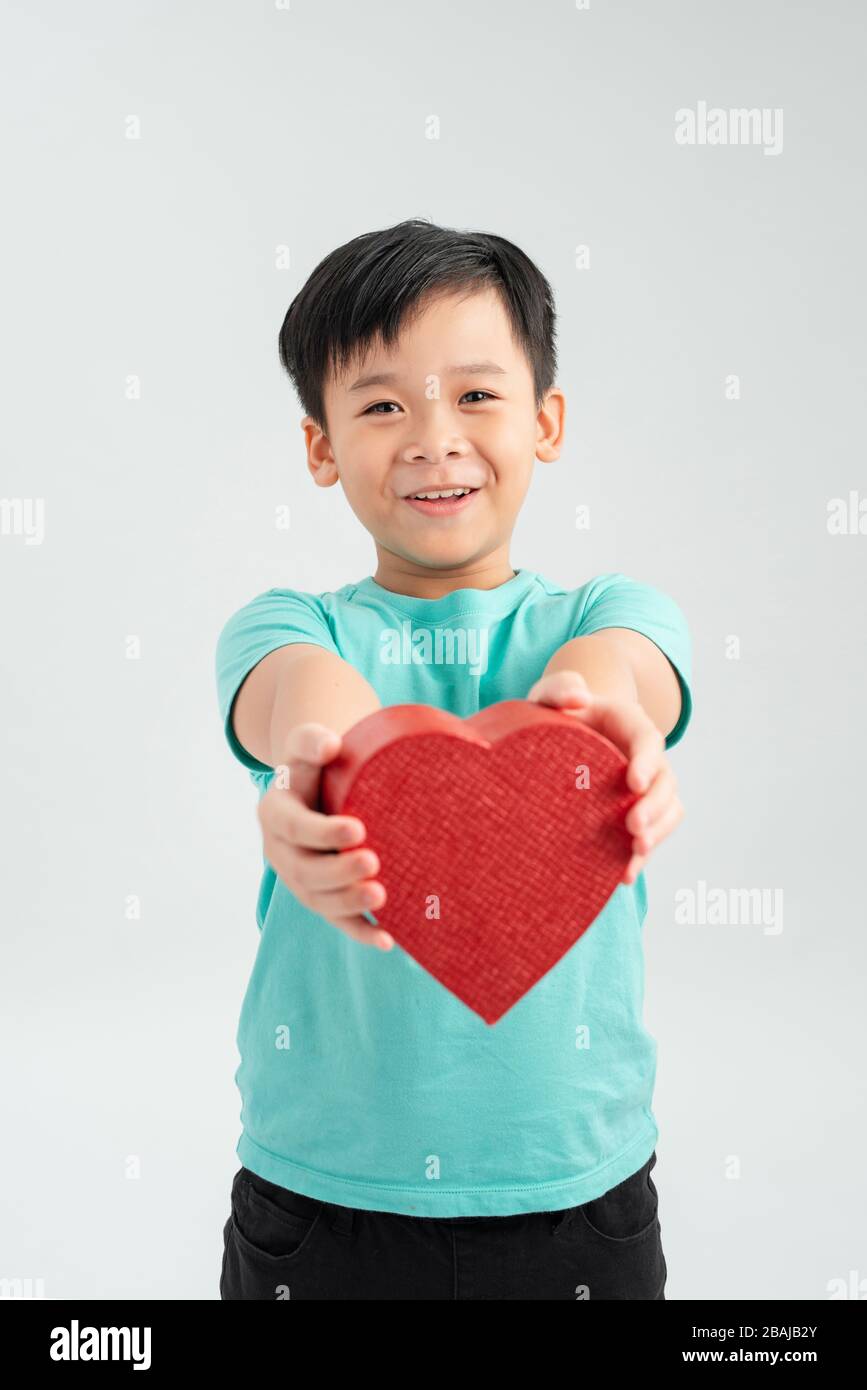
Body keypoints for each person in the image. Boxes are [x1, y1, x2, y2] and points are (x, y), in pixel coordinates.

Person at [215, 218, 692, 1300]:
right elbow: (304, 706)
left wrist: (599, 717)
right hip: (324, 1204)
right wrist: (321, 775)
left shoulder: (615, 611)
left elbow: (618, 672)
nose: (433, 437)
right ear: (321, 446)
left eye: (476, 395)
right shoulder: (289, 626)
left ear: (547, 420)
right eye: (382, 404)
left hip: (579, 1198)